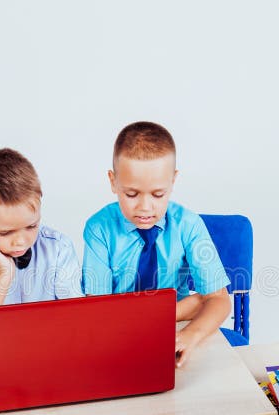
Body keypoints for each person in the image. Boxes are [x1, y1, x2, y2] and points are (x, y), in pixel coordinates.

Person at [82, 121, 231, 368]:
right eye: (131, 194)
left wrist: (189, 335)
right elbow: (98, 312)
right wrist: (190, 306)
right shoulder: (98, 229)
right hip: (117, 337)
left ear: (173, 181)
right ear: (113, 181)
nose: (145, 207)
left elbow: (220, 300)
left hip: (175, 331)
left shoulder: (188, 225)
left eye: (158, 194)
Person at [0, 148, 82, 311]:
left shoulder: (59, 249)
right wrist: (4, 275)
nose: (21, 241)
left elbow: (77, 315)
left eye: (31, 226)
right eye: (5, 232)